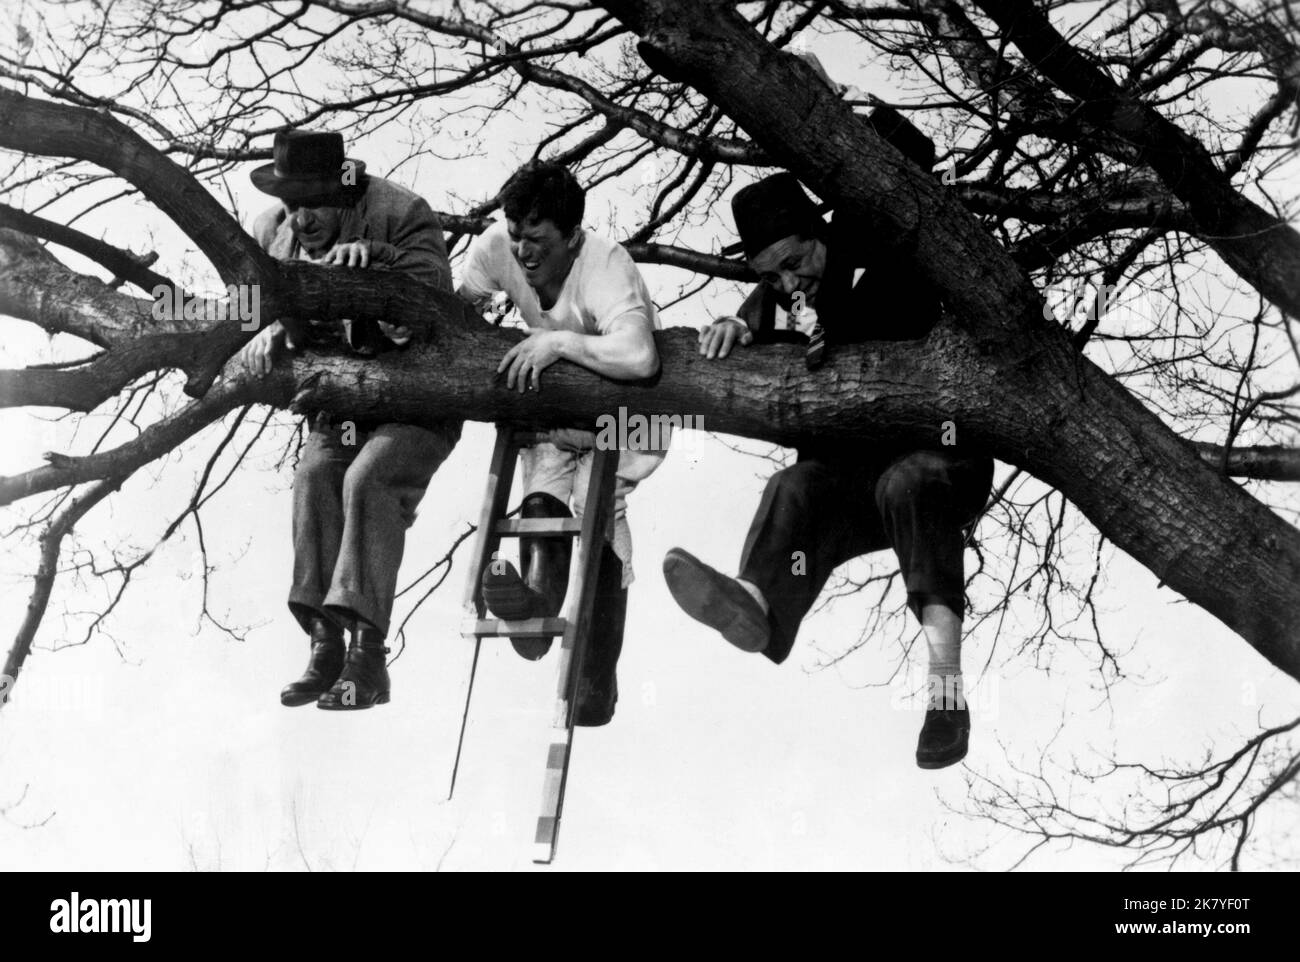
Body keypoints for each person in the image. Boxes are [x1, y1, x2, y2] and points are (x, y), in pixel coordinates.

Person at [662, 171, 994, 768]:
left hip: (940, 461)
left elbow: (910, 159)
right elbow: (763, 306)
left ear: (821, 233)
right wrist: (738, 321)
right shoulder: (780, 296)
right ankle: (755, 603)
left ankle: (946, 687)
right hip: (857, 481)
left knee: (909, 482)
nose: (790, 284)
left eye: (794, 262)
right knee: (795, 485)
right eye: (771, 276)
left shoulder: (883, 250)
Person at [236, 128, 462, 711]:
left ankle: (368, 655)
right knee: (316, 475)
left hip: (417, 399)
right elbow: (245, 303)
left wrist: (378, 279)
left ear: (344, 191)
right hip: (342, 407)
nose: (302, 220)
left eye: (314, 203)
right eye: (291, 205)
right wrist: (264, 326)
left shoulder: (402, 214)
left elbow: (437, 308)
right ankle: (324, 642)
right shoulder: (272, 232)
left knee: (368, 479)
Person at [456, 161, 661, 727]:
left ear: (572, 236)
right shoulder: (498, 245)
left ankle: (597, 680)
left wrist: (560, 343)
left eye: (538, 239)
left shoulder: (606, 266)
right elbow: (461, 308)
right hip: (558, 411)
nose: (522, 250)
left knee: (599, 509)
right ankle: (533, 613)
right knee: (542, 498)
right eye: (516, 233)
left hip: (627, 413)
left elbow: (641, 358)